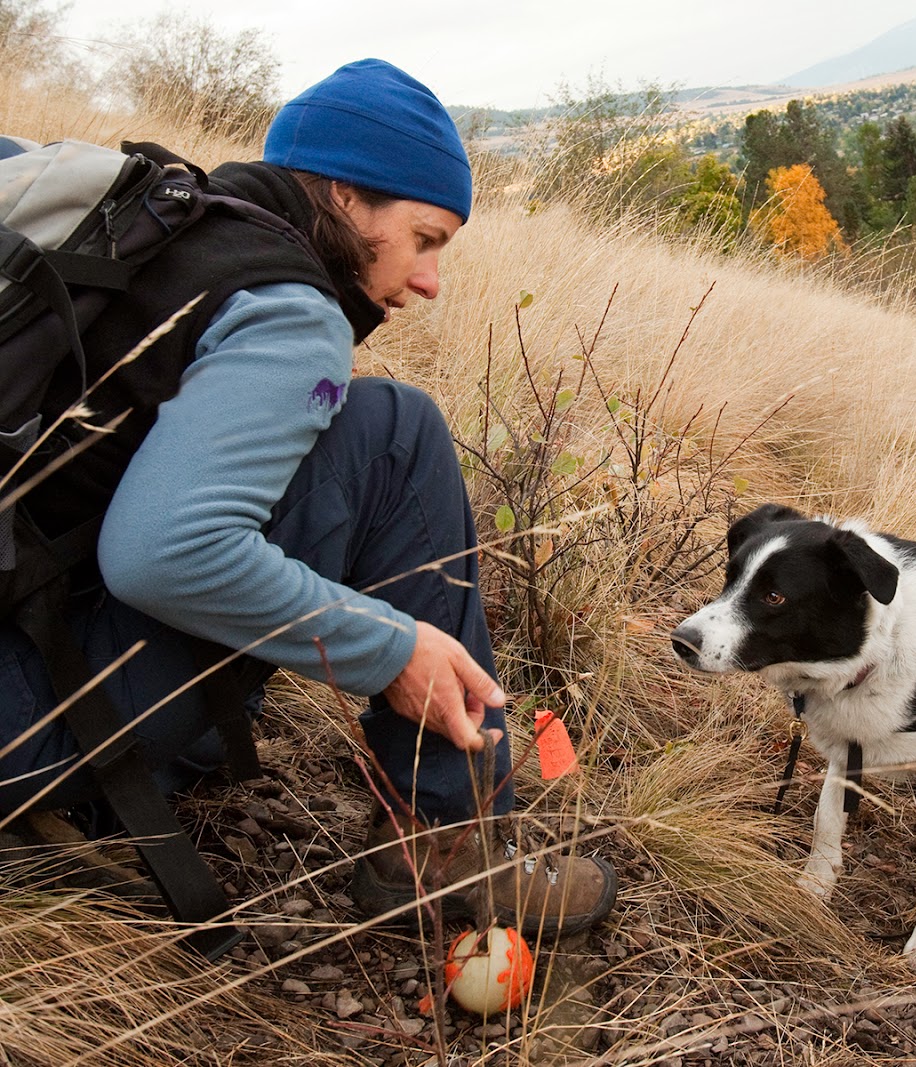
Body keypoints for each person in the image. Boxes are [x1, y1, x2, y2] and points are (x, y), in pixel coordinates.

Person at [0, 59, 616, 939]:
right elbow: (161, 551)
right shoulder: (287, 308)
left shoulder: (140, 228)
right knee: (394, 432)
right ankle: (445, 844)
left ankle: (189, 749)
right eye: (426, 237)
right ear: (342, 196)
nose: (430, 278)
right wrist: (392, 647)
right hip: (19, 724)